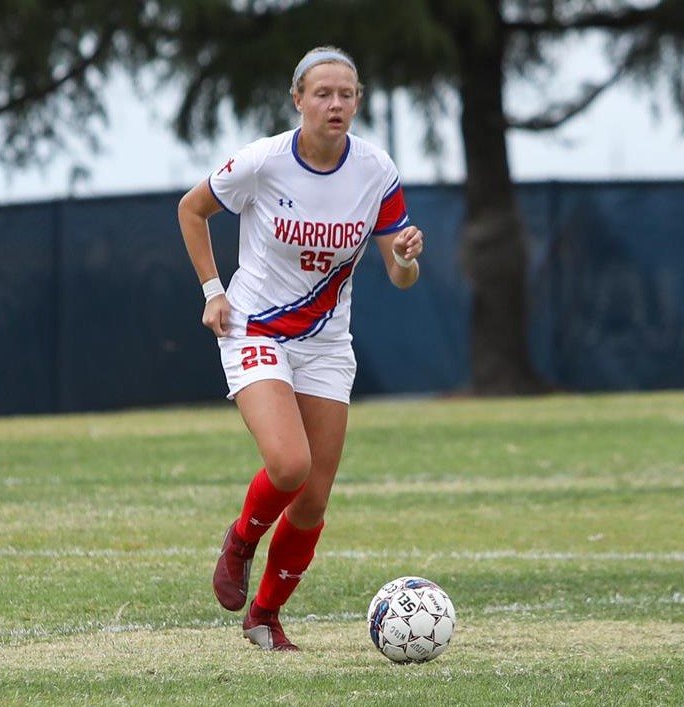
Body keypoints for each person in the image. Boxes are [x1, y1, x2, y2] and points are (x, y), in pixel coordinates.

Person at [176, 45, 424, 652]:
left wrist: (405, 259)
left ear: (358, 101)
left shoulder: (376, 171)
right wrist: (212, 290)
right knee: (289, 465)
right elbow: (192, 208)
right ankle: (240, 540)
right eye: (322, 93)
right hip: (255, 326)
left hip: (326, 342)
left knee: (312, 500)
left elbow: (400, 276)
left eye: (346, 94)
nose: (334, 104)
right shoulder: (264, 161)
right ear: (298, 100)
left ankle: (264, 615)